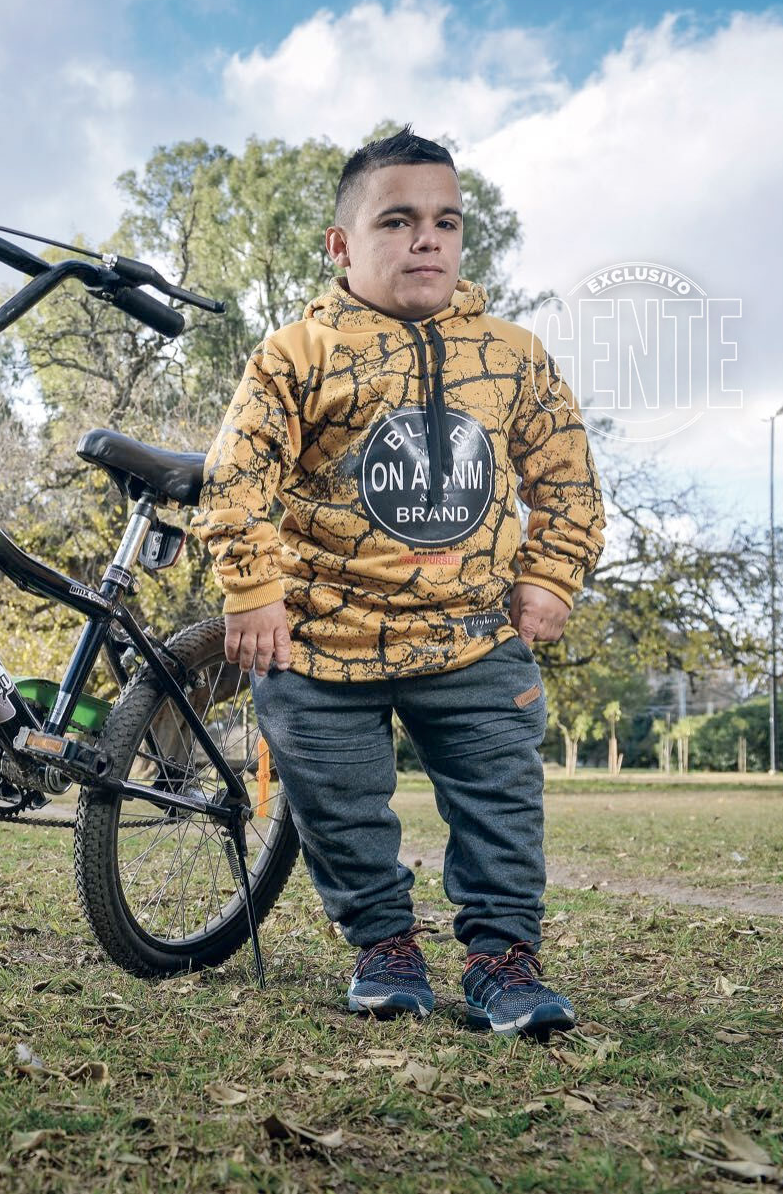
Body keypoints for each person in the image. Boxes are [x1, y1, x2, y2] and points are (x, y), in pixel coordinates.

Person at [191, 127, 606, 1037]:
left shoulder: (513, 356)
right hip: (322, 642)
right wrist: (253, 589)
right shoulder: (295, 355)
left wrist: (553, 573)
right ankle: (385, 943)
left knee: (501, 802)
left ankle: (503, 960)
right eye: (399, 220)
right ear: (341, 245)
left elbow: (568, 477)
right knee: (338, 806)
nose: (428, 239)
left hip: (474, 638)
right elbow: (236, 477)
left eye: (446, 221)